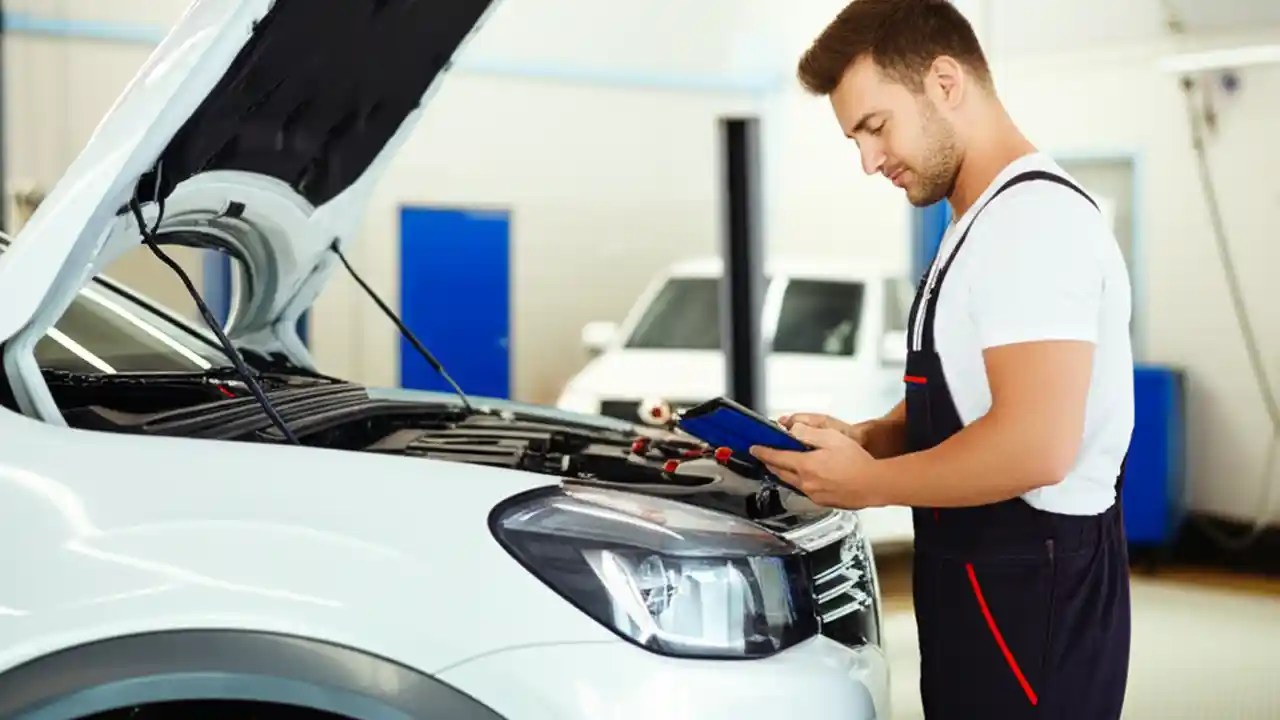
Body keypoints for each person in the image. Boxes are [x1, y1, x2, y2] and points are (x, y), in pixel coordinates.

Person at [748, 1, 1134, 718]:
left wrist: (871, 483)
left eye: (874, 126)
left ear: (945, 82)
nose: (869, 161)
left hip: (1032, 597)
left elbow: (1036, 445)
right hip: (986, 582)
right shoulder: (978, 221)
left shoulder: (1033, 222)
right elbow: (968, 399)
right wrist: (869, 436)